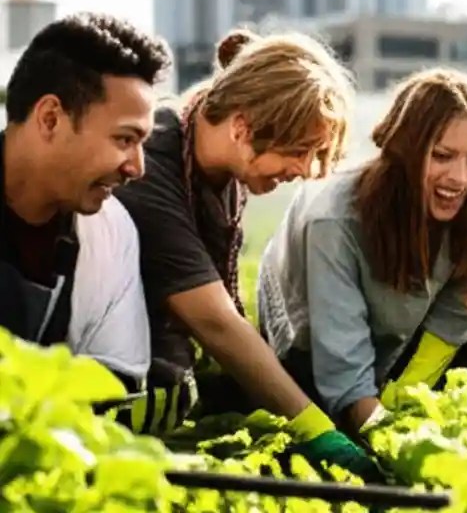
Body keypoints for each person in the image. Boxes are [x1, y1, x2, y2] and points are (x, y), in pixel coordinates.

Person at [114, 29, 377, 476]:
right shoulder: (151, 166)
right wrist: (315, 430)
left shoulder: (225, 174)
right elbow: (214, 321)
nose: (304, 170)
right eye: (299, 151)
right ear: (241, 128)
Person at [257, 68, 467, 435]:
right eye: (442, 155)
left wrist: (403, 404)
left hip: (407, 328)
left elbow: (455, 317)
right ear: (406, 151)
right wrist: (386, 435)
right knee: (328, 427)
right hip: (311, 344)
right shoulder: (334, 220)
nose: (459, 177)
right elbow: (343, 369)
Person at [0, 13, 169, 392]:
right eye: (124, 139)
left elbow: (113, 385)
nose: (137, 168)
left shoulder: (110, 229)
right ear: (50, 119)